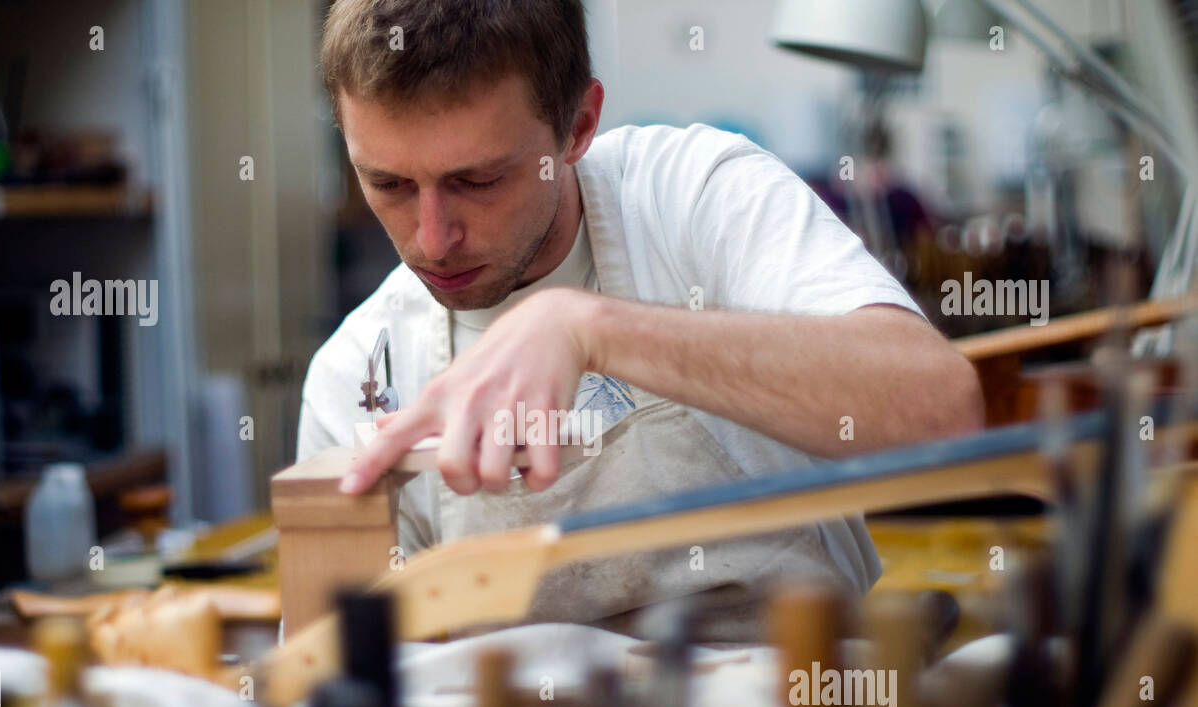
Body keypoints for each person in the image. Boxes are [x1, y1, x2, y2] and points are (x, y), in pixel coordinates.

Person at [297, 0, 984, 639]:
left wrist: (591, 328)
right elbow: (332, 690)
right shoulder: (359, 374)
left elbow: (942, 412)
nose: (432, 237)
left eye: (478, 181)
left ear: (579, 126)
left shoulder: (697, 198)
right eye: (387, 184)